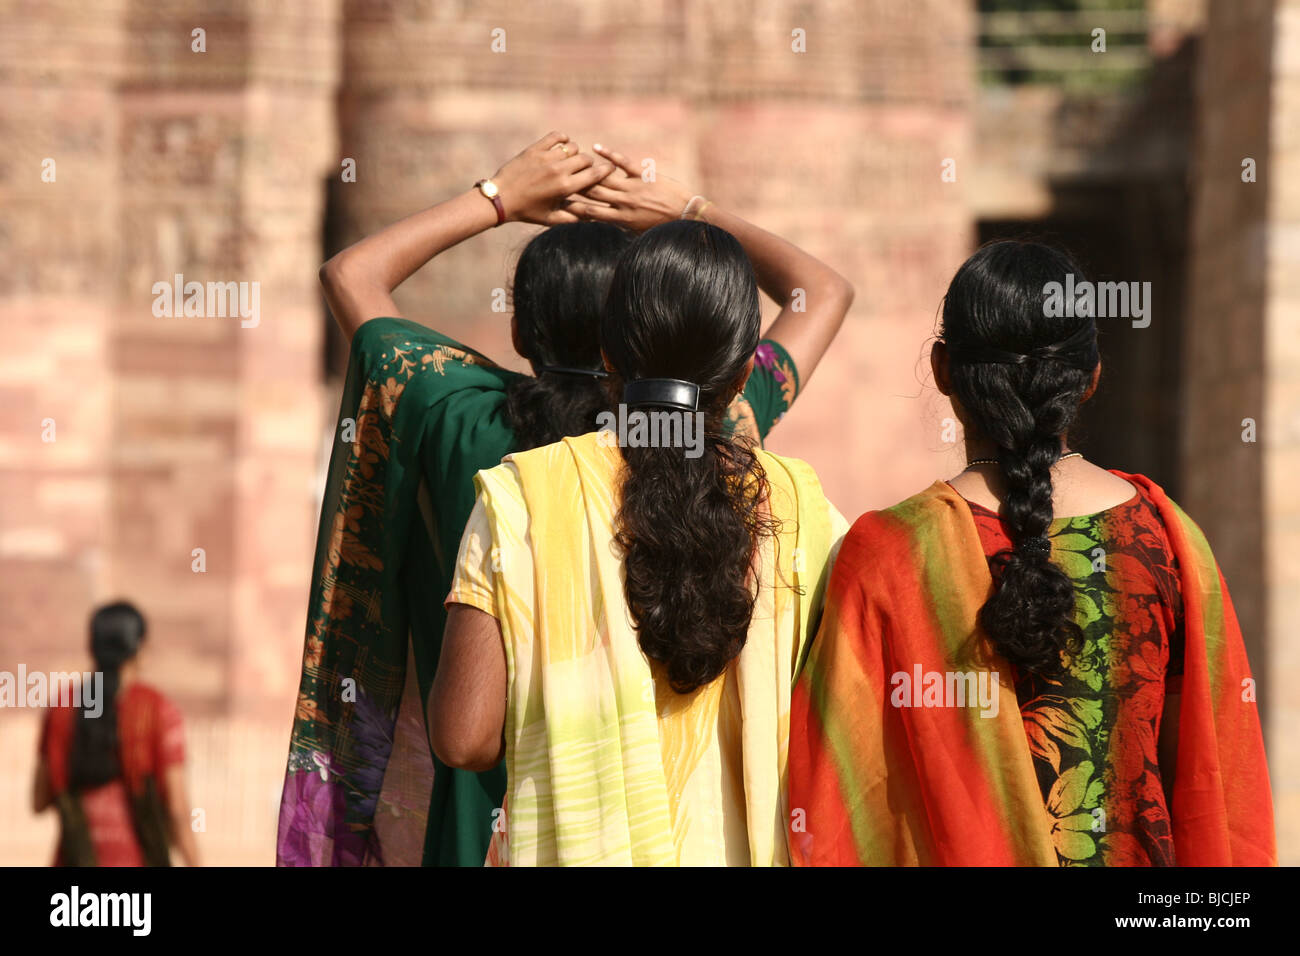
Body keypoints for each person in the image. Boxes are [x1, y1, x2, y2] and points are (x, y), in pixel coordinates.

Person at [279, 132, 852, 866]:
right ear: (735, 374)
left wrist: (497, 199)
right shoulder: (737, 448)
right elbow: (823, 291)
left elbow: (351, 274)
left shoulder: (468, 429)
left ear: (522, 329)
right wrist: (689, 212)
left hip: (493, 830)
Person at [788, 240, 1276, 866]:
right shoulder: (1166, 539)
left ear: (943, 370)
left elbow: (837, 799)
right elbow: (1209, 783)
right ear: (1092, 376)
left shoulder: (889, 555)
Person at [432, 220, 851, 866]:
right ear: (743, 378)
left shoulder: (523, 498)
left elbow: (463, 738)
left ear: (607, 355)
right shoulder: (803, 508)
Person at [34, 602, 199, 867]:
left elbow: (39, 800)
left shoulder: (63, 708)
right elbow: (177, 811)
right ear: (141, 650)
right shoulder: (156, 711)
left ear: (92, 648)